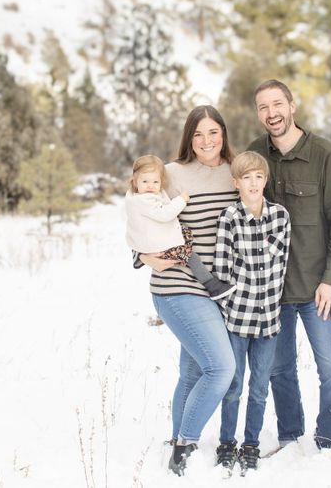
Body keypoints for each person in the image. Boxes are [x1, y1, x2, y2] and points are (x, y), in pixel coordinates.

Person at [247, 79, 331, 450]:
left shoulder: (326, 154)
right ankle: (290, 437)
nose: (271, 113)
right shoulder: (254, 156)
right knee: (279, 370)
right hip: (271, 292)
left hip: (316, 288)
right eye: (263, 107)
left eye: (277, 104)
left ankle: (328, 439)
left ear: (292, 106)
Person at [133, 106, 239, 476]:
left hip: (219, 290)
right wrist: (140, 254)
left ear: (223, 134)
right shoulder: (172, 174)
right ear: (188, 138)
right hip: (177, 285)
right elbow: (140, 216)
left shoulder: (235, 171)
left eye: (213, 132)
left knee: (193, 372)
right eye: (198, 134)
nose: (206, 141)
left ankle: (176, 437)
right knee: (221, 368)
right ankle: (184, 446)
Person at [212, 151, 291, 473]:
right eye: (247, 178)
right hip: (237, 318)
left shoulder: (280, 216)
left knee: (259, 388)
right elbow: (222, 271)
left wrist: (271, 303)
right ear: (236, 183)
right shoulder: (229, 218)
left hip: (269, 319)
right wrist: (229, 307)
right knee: (233, 386)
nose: (254, 183)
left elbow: (282, 266)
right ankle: (226, 443)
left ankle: (251, 444)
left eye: (259, 176)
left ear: (266, 179)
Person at [125, 154, 235, 301]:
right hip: (160, 247)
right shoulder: (144, 200)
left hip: (156, 243)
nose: (150, 186)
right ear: (135, 181)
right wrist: (181, 200)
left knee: (185, 238)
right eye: (145, 181)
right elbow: (165, 214)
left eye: (155, 182)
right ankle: (212, 285)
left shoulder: (136, 197)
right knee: (191, 256)